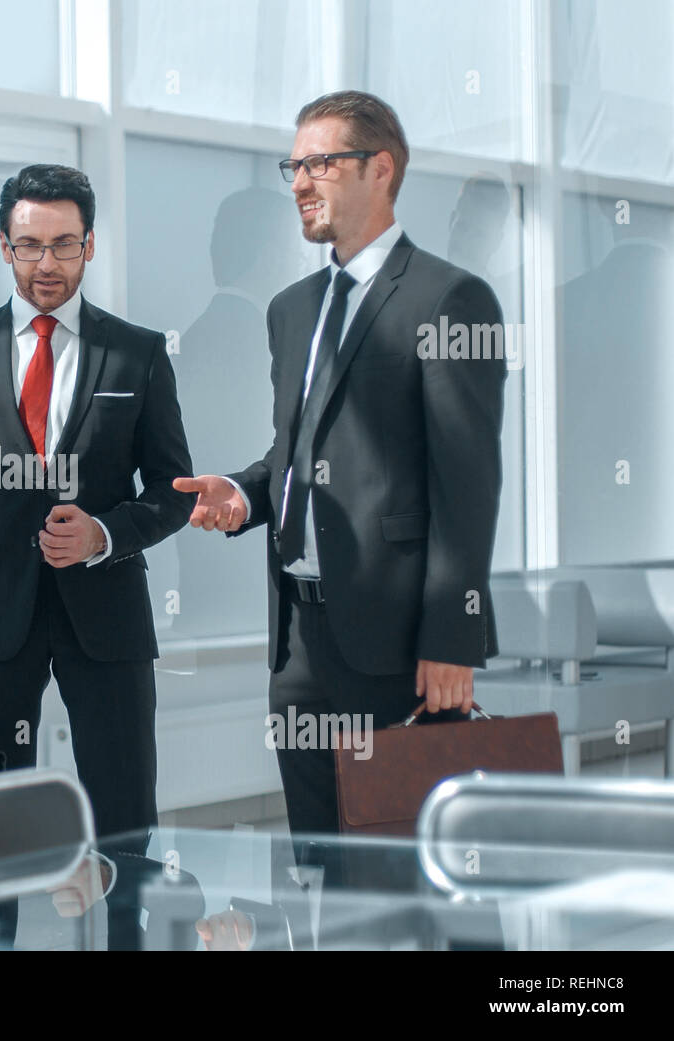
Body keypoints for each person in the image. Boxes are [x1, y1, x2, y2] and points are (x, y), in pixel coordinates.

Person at [174, 90, 506, 873]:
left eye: (321, 162)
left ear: (381, 169)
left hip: (399, 647)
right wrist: (247, 495)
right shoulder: (292, 310)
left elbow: (469, 485)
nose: (299, 181)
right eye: (295, 164)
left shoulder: (452, 299)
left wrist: (452, 638)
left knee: (416, 870)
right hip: (299, 642)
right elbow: (295, 451)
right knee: (321, 864)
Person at [0, 163, 194, 946]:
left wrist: (104, 534)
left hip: (107, 621)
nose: (47, 263)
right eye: (29, 244)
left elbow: (172, 491)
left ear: (90, 245)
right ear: (4, 248)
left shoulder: (137, 355)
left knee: (126, 818)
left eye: (64, 244)